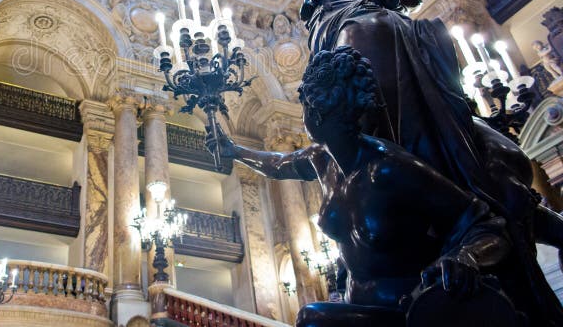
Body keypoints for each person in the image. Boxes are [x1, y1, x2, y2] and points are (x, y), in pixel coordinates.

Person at [263, 0, 563, 324]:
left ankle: (438, 181)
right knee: (357, 126)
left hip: (370, 31)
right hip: (330, 36)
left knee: (387, 121)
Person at [213, 47, 522, 326]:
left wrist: (466, 256)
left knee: (311, 319)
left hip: (411, 309)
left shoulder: (388, 168)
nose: (303, 110)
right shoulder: (324, 161)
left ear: (321, 112)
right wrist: (234, 151)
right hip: (359, 305)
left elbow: (485, 223)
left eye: (306, 102)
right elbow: (278, 165)